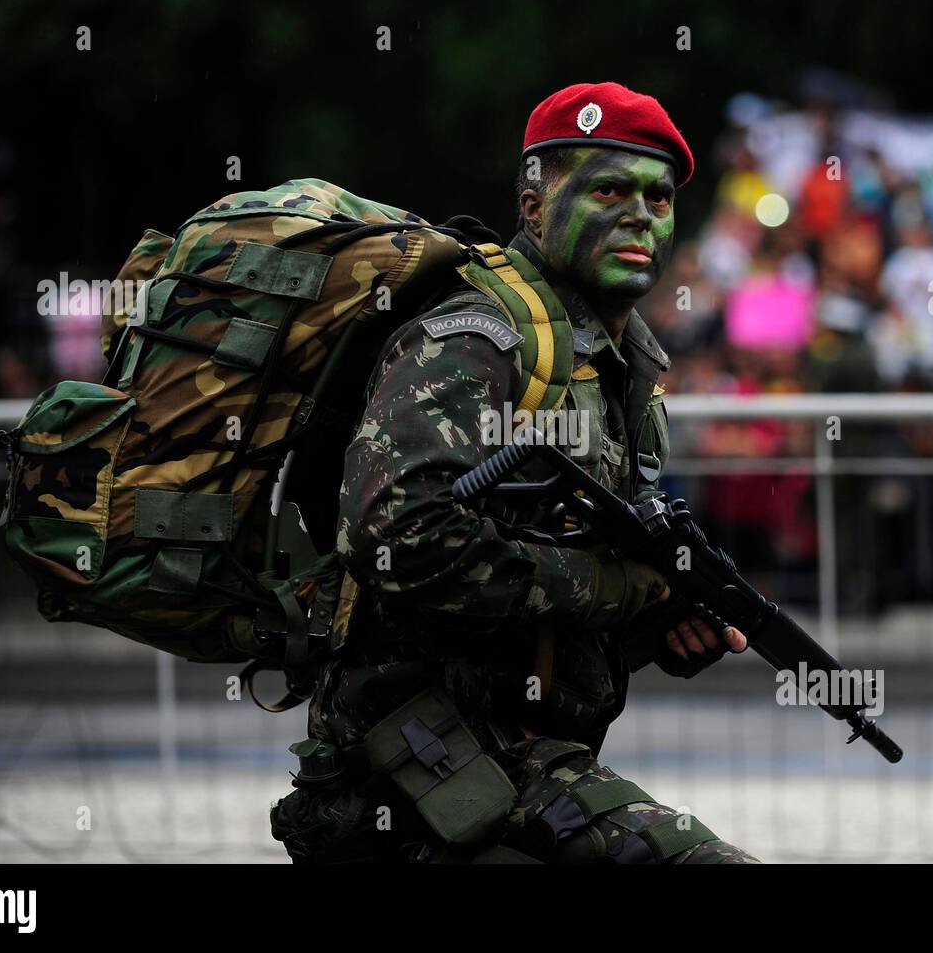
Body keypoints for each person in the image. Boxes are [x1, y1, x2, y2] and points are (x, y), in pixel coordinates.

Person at [271, 82, 757, 864]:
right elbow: (397, 539)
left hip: (526, 762)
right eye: (608, 189)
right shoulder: (478, 338)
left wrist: (652, 629)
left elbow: (549, 577)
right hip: (409, 769)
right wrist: (620, 587)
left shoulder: (623, 367)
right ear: (534, 204)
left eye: (659, 198)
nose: (640, 215)